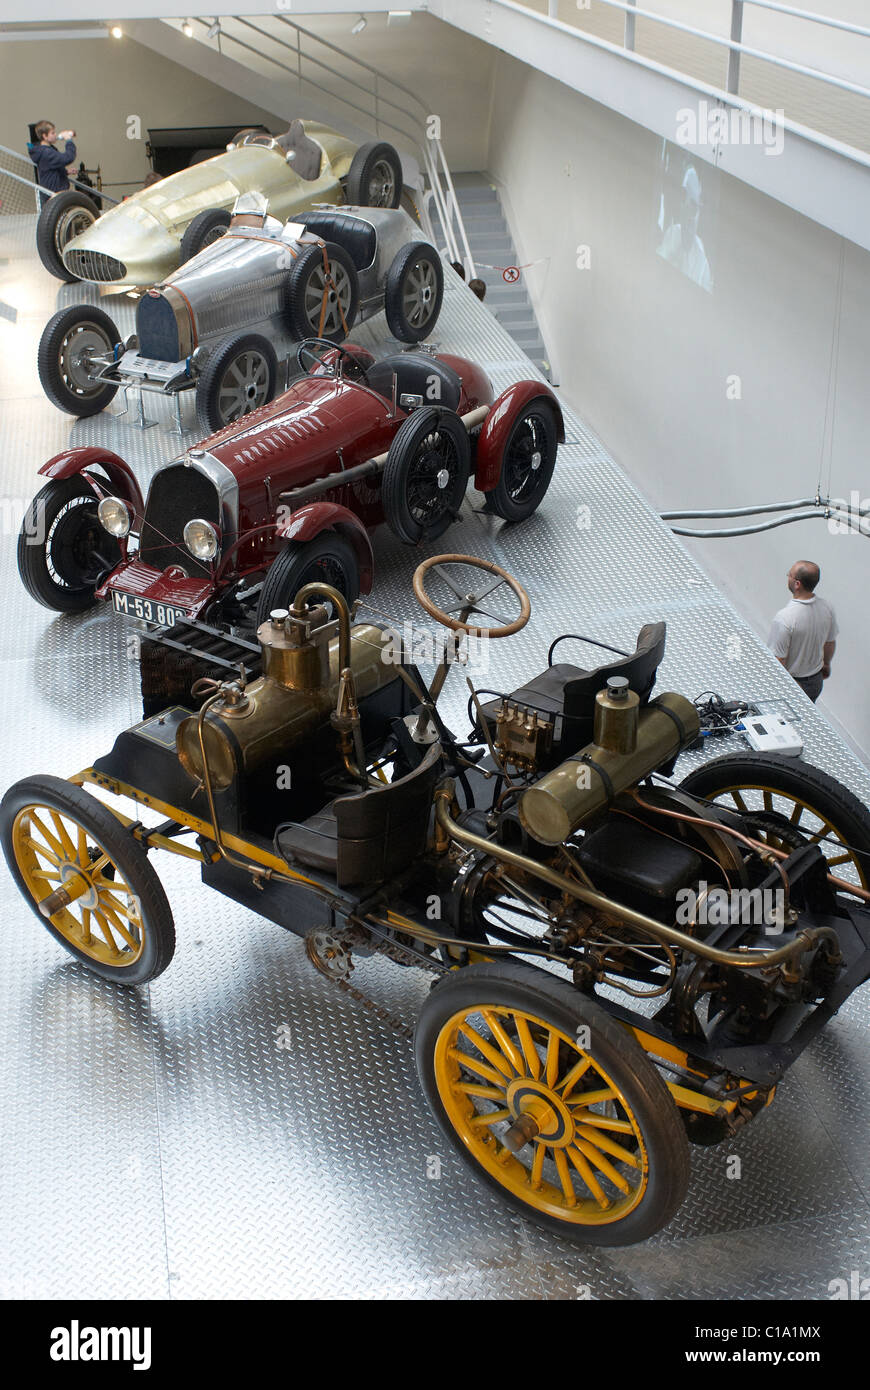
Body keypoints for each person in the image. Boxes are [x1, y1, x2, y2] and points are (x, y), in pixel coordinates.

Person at [767, 561, 838, 702]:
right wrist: (827, 664)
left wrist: (785, 687)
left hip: (793, 684)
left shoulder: (785, 617)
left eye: (790, 575)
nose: (788, 576)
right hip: (816, 682)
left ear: (797, 584)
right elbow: (830, 642)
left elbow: (778, 660)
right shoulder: (826, 607)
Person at [30, 121, 78, 197]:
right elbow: (68, 158)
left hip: (54, 193)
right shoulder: (47, 153)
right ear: (45, 136)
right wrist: (69, 140)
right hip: (54, 194)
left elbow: (51, 168)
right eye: (52, 133)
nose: (55, 134)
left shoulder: (45, 151)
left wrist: (65, 172)